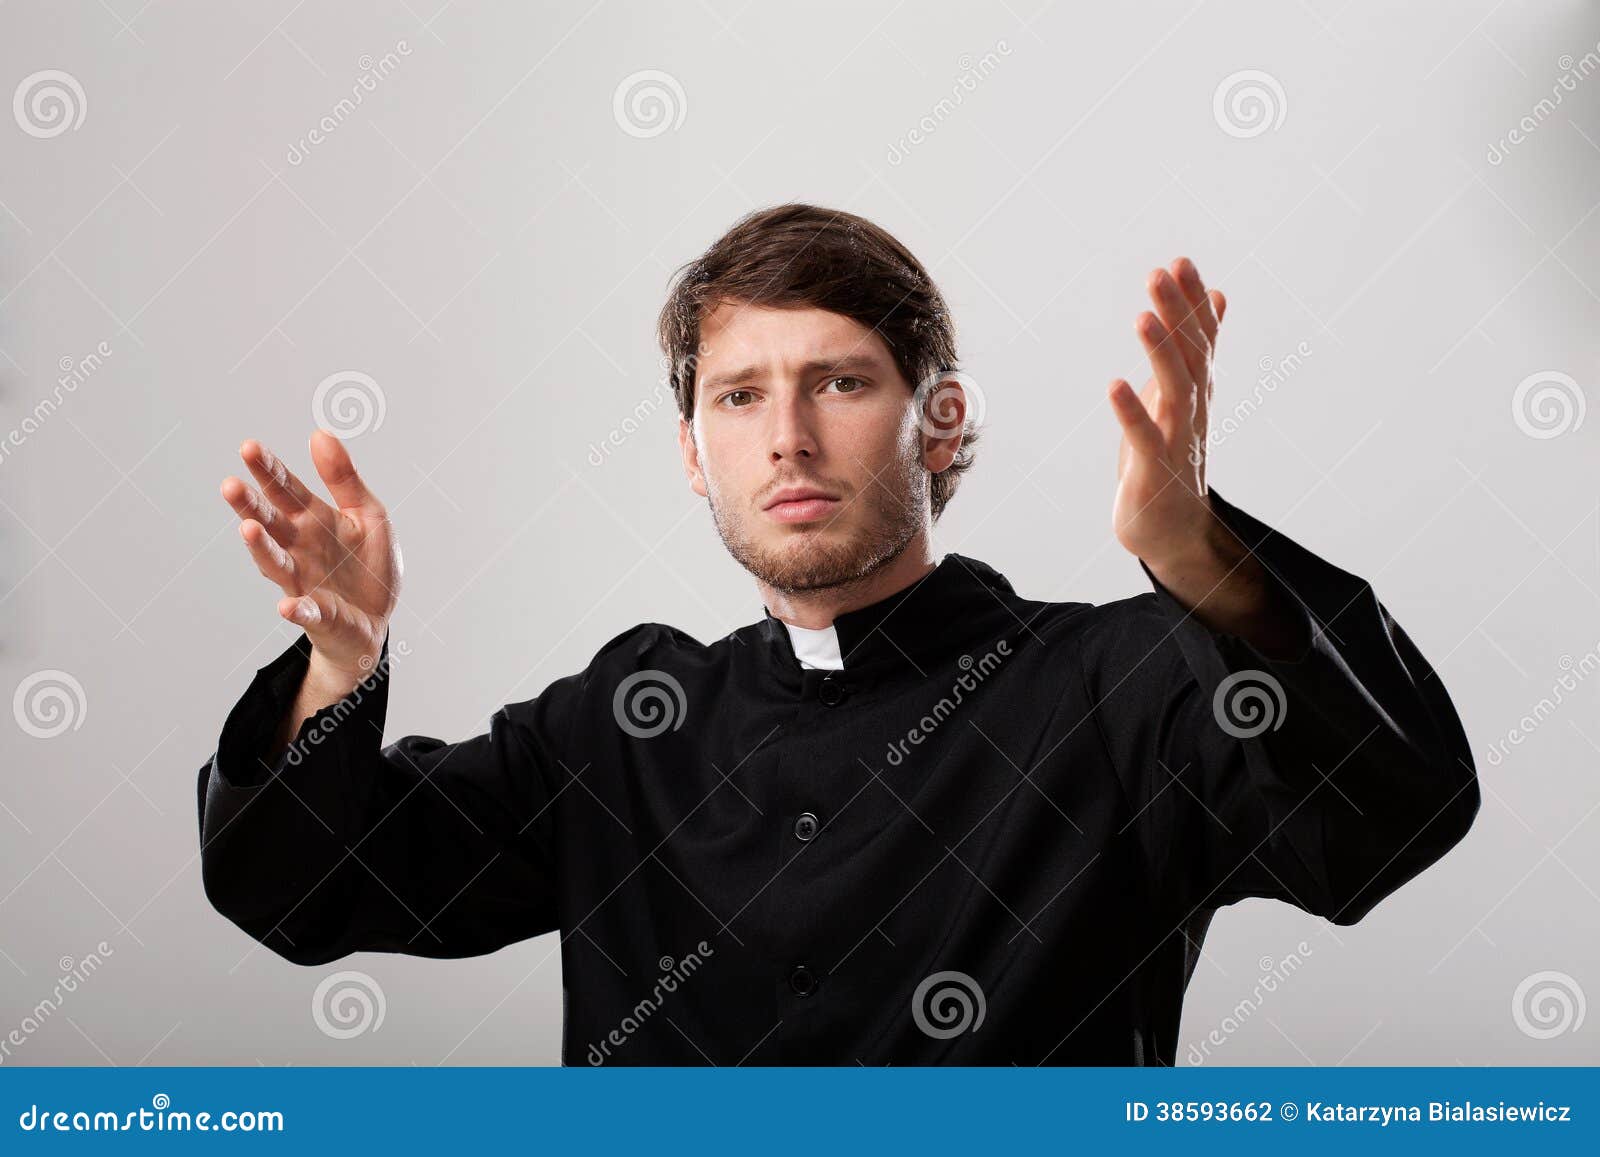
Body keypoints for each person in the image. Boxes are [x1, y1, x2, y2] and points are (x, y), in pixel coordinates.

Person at [196, 203, 1479, 1065]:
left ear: (941, 421)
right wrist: (342, 661)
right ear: (693, 457)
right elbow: (309, 893)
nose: (787, 437)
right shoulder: (624, 723)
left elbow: (1390, 818)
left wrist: (1197, 554)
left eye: (842, 382)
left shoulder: (1125, 680)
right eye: (739, 395)